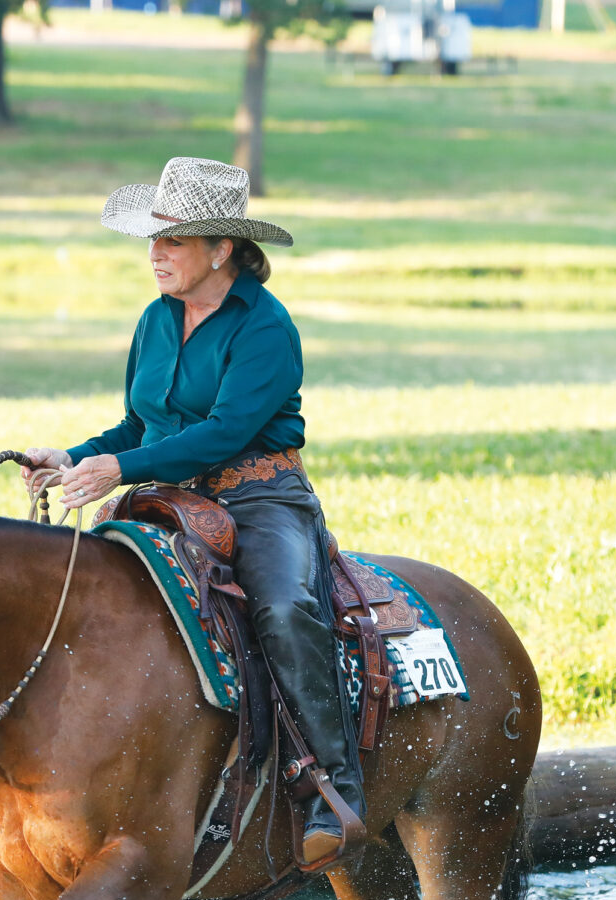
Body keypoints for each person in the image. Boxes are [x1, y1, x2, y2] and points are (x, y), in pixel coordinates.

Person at [20, 156, 364, 864]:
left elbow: (225, 432)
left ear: (222, 249)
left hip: (261, 496)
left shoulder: (265, 327)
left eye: (173, 240)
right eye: (153, 240)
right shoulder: (155, 319)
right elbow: (140, 423)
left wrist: (123, 467)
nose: (155, 254)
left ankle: (337, 784)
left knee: (284, 608)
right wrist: (75, 456)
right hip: (172, 496)